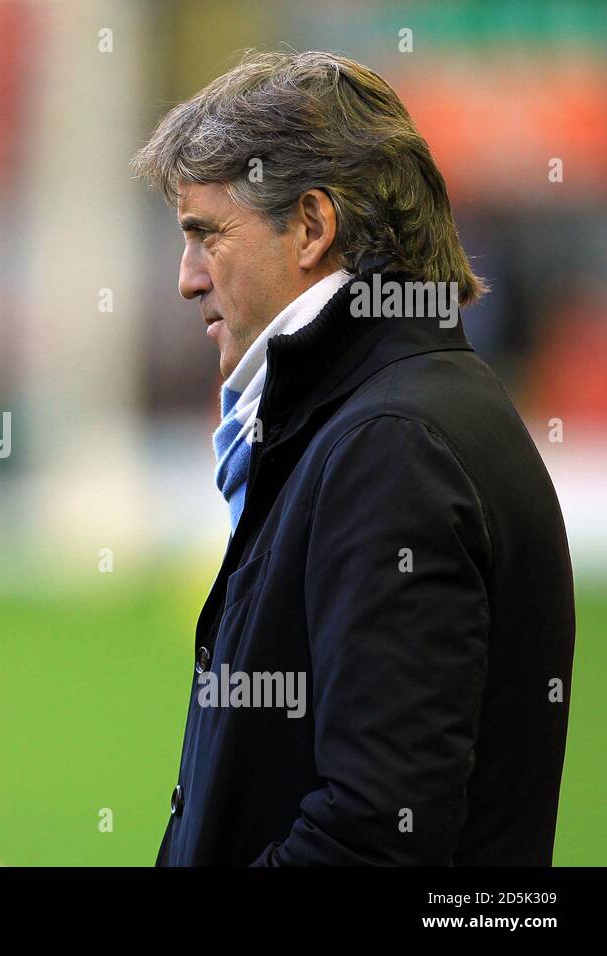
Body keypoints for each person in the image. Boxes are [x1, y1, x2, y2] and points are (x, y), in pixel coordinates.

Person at [133, 51, 575, 865]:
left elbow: (374, 838)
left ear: (311, 226)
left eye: (205, 235)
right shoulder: (393, 414)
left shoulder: (391, 444)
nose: (187, 280)